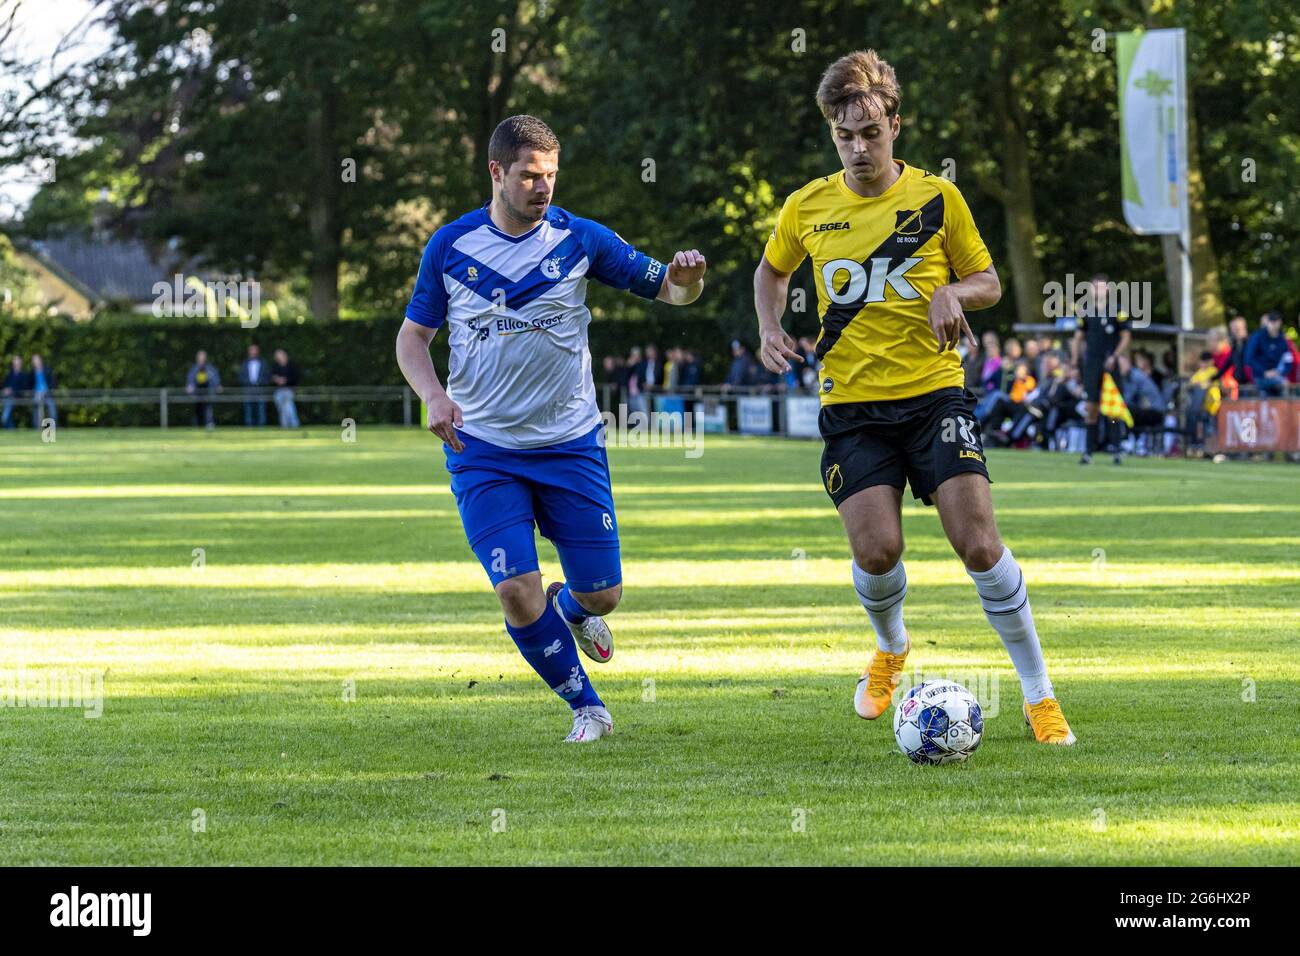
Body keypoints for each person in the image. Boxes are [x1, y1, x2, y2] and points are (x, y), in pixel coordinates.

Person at [753, 49, 1074, 745]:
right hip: (853, 408)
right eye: (845, 136)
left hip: (935, 398)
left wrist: (952, 292)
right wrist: (769, 327)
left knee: (979, 545)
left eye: (871, 133)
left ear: (895, 124)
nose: (859, 147)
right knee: (876, 552)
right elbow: (770, 271)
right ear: (832, 134)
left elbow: (988, 281)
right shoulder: (806, 206)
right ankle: (891, 649)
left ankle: (1039, 694)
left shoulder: (937, 199)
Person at [395, 114, 707, 743]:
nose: (543, 188)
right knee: (515, 587)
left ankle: (569, 606)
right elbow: (413, 338)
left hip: (570, 445)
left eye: (551, 176)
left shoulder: (580, 239)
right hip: (483, 449)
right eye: (529, 176)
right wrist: (432, 394)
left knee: (605, 597)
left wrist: (689, 279)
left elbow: (672, 294)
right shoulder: (451, 246)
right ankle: (587, 707)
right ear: (496, 173)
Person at [1071, 273, 1130, 464]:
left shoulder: (1118, 311)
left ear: (1109, 290)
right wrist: (1075, 362)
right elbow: (1078, 338)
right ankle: (1088, 451)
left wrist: (1115, 356)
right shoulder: (1084, 311)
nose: (1098, 290)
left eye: (1102, 287)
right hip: (1091, 365)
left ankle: (1116, 449)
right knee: (1091, 407)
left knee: (1112, 407)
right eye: (1095, 287)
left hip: (1110, 364)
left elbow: (1126, 337)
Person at [1245, 311, 1292, 397]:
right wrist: (1264, 372)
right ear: (1268, 322)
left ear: (1280, 322)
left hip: (1277, 377)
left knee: (1284, 386)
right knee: (1281, 384)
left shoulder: (1282, 340)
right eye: (1271, 321)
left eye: (1276, 321)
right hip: (1260, 378)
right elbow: (1249, 359)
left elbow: (1288, 361)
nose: (1273, 324)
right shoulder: (1257, 337)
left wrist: (1279, 372)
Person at [186, 350, 222, 428]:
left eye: (203, 358)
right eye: (200, 358)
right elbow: (190, 380)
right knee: (198, 410)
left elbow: (215, 379)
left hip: (208, 393)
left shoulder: (210, 369)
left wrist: (218, 385)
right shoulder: (194, 369)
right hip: (197, 394)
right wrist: (190, 386)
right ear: (197, 358)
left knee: (209, 409)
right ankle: (197, 425)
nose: (202, 359)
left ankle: (209, 423)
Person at [239, 344, 269, 427]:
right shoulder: (244, 363)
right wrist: (247, 383)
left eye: (255, 350)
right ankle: (249, 425)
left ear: (258, 351)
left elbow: (267, 376)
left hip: (260, 388)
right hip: (248, 388)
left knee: (261, 407)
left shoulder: (263, 363)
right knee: (248, 407)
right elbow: (241, 376)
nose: (253, 352)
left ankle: (262, 425)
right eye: (251, 350)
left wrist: (261, 383)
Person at [270, 348, 300, 428]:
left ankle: (293, 424)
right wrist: (277, 379)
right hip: (278, 390)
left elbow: (295, 377)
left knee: (288, 406)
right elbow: (271, 377)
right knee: (282, 408)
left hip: (289, 389)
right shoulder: (275, 366)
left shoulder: (291, 365)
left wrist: (285, 380)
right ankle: (285, 424)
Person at [27, 354, 56, 428]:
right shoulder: (32, 372)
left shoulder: (47, 370)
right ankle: (37, 428)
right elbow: (29, 384)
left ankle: (52, 428)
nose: (34, 361)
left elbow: (52, 382)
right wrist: (34, 392)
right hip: (36, 394)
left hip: (47, 393)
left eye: (36, 359)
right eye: (33, 360)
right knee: (36, 411)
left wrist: (47, 391)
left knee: (51, 410)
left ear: (40, 360)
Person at [2, 355, 24, 429]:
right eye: (14, 360)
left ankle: (5, 421)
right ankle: (11, 428)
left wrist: (12, 391)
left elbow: (23, 388)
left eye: (17, 360)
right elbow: (5, 385)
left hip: (17, 397)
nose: (15, 362)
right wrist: (6, 389)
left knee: (6, 415)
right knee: (8, 411)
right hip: (7, 397)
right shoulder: (9, 375)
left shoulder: (23, 375)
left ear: (20, 362)